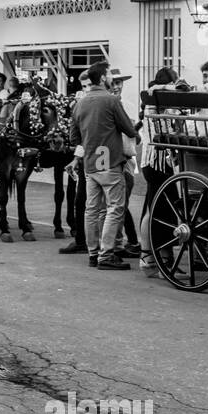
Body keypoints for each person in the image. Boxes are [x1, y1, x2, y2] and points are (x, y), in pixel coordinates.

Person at [70, 62, 137, 270]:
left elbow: (74, 136)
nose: (111, 79)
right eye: (109, 75)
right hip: (110, 160)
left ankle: (93, 253)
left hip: (91, 163)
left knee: (92, 210)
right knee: (115, 207)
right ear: (101, 79)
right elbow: (129, 129)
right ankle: (106, 254)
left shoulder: (79, 103)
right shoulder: (111, 100)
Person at [137, 67, 184, 277]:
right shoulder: (154, 100)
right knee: (156, 211)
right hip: (157, 162)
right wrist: (174, 87)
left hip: (157, 162)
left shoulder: (154, 102)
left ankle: (160, 258)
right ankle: (148, 258)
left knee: (158, 210)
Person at [58, 69, 94, 257]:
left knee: (105, 204)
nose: (86, 89)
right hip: (87, 157)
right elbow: (79, 138)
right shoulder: (81, 105)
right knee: (81, 200)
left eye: (89, 85)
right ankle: (82, 239)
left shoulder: (98, 103)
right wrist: (76, 158)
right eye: (83, 86)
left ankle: (116, 243)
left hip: (103, 159)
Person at [106, 68, 140, 258]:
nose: (116, 86)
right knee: (112, 203)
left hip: (125, 160)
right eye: (113, 82)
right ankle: (120, 243)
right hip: (107, 159)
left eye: (119, 83)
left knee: (120, 202)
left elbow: (135, 135)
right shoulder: (104, 105)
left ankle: (122, 243)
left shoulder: (128, 105)